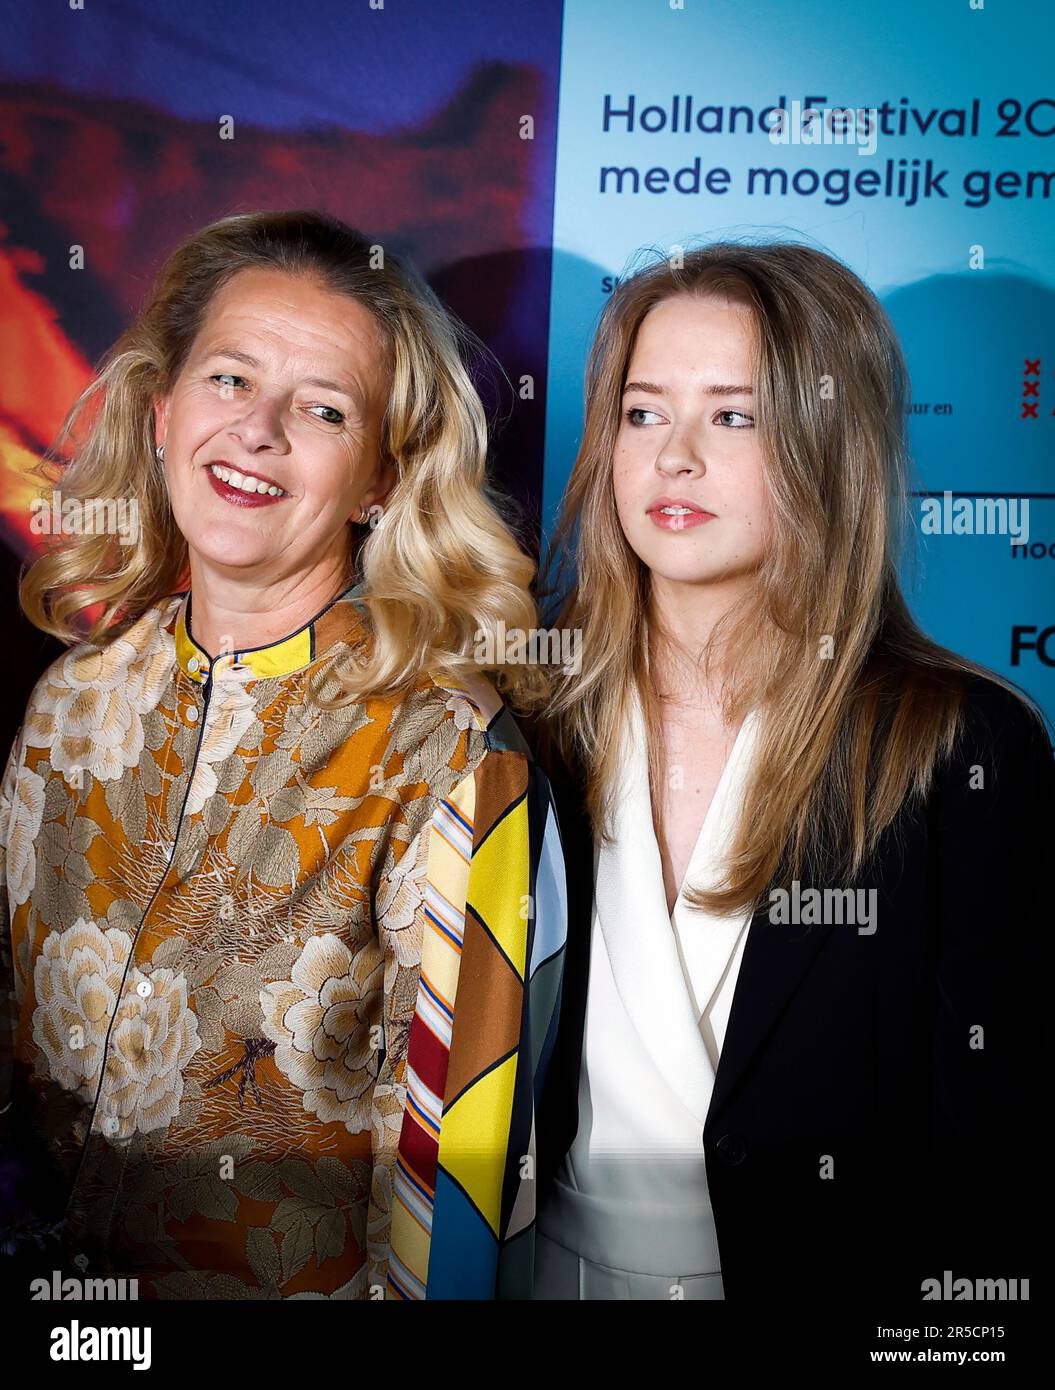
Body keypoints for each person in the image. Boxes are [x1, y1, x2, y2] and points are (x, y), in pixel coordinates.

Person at [0, 210, 566, 1301]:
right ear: (162, 413)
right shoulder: (68, 703)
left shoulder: (447, 750)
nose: (257, 431)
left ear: (379, 485)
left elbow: (456, 1192)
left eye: (322, 408)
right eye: (228, 380)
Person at [531, 241, 1052, 1302]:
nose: (672, 457)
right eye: (641, 412)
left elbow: (995, 1145)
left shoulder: (957, 744)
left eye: (733, 415)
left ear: (828, 444)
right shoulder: (527, 712)